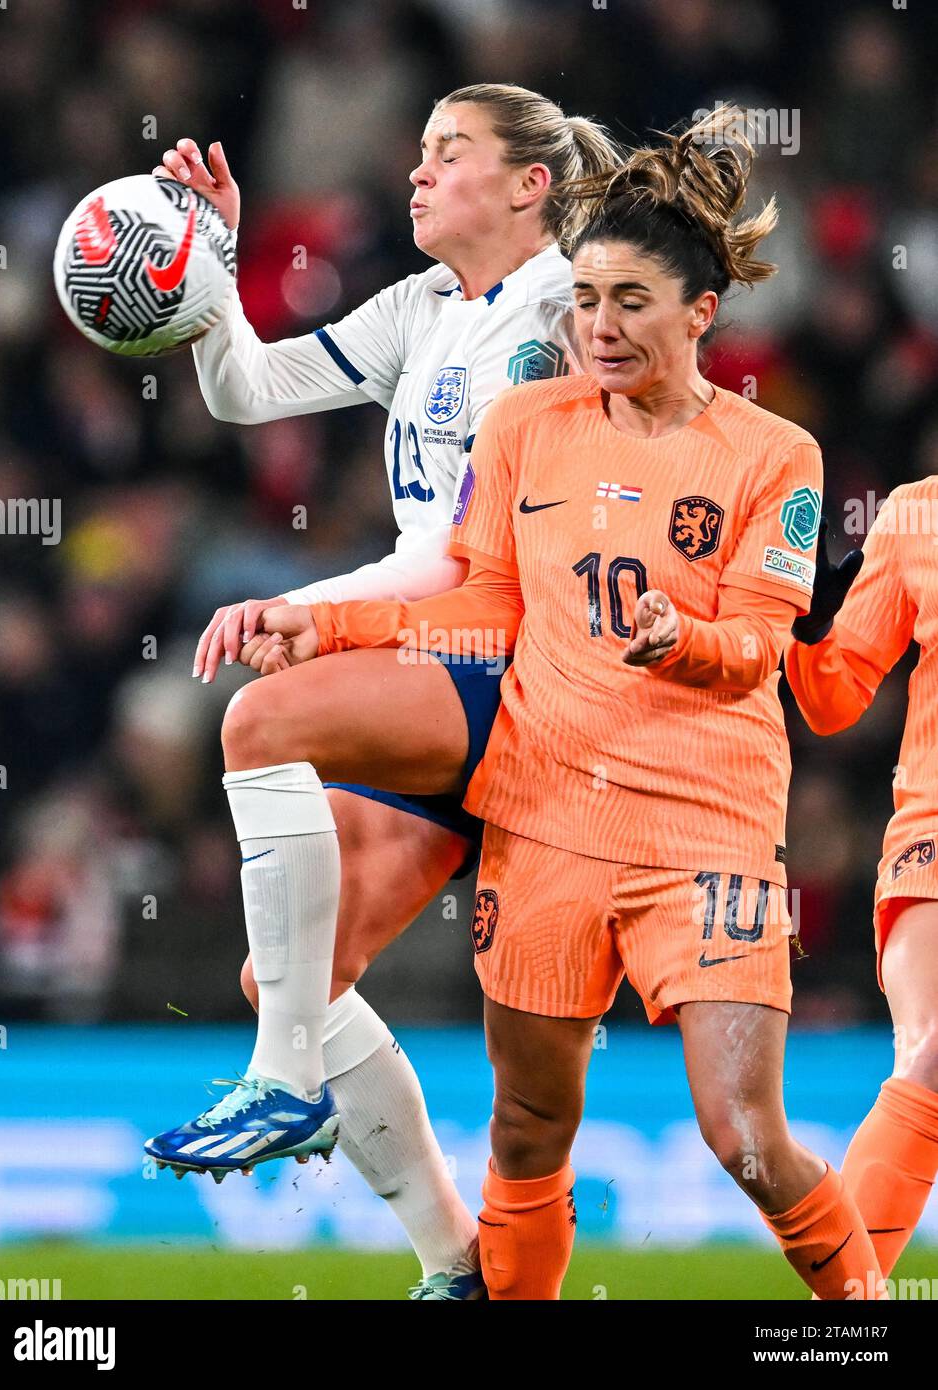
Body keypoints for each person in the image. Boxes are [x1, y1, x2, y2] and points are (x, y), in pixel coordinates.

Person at [240, 106, 887, 1301]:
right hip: (539, 814)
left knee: (740, 1133)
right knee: (527, 1131)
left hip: (702, 823)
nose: (597, 326)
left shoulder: (771, 457)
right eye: (583, 299)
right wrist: (320, 622)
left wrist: (676, 639)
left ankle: (859, 1317)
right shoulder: (525, 423)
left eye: (630, 302)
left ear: (699, 313)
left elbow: (756, 646)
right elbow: (481, 602)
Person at [143, 85, 619, 1300]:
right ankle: (456, 1266)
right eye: (414, 151)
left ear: (527, 187)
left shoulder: (558, 316)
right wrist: (210, 266)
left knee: (260, 717)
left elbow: (472, 553)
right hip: (441, 650)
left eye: (447, 153)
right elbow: (241, 391)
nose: (415, 174)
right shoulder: (424, 306)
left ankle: (283, 1082)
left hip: (517, 659)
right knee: (294, 972)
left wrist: (316, 610)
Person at [785, 502, 938, 1284]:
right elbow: (833, 698)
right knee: (930, 1052)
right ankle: (845, 1318)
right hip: (935, 826)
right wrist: (812, 631)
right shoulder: (916, 513)